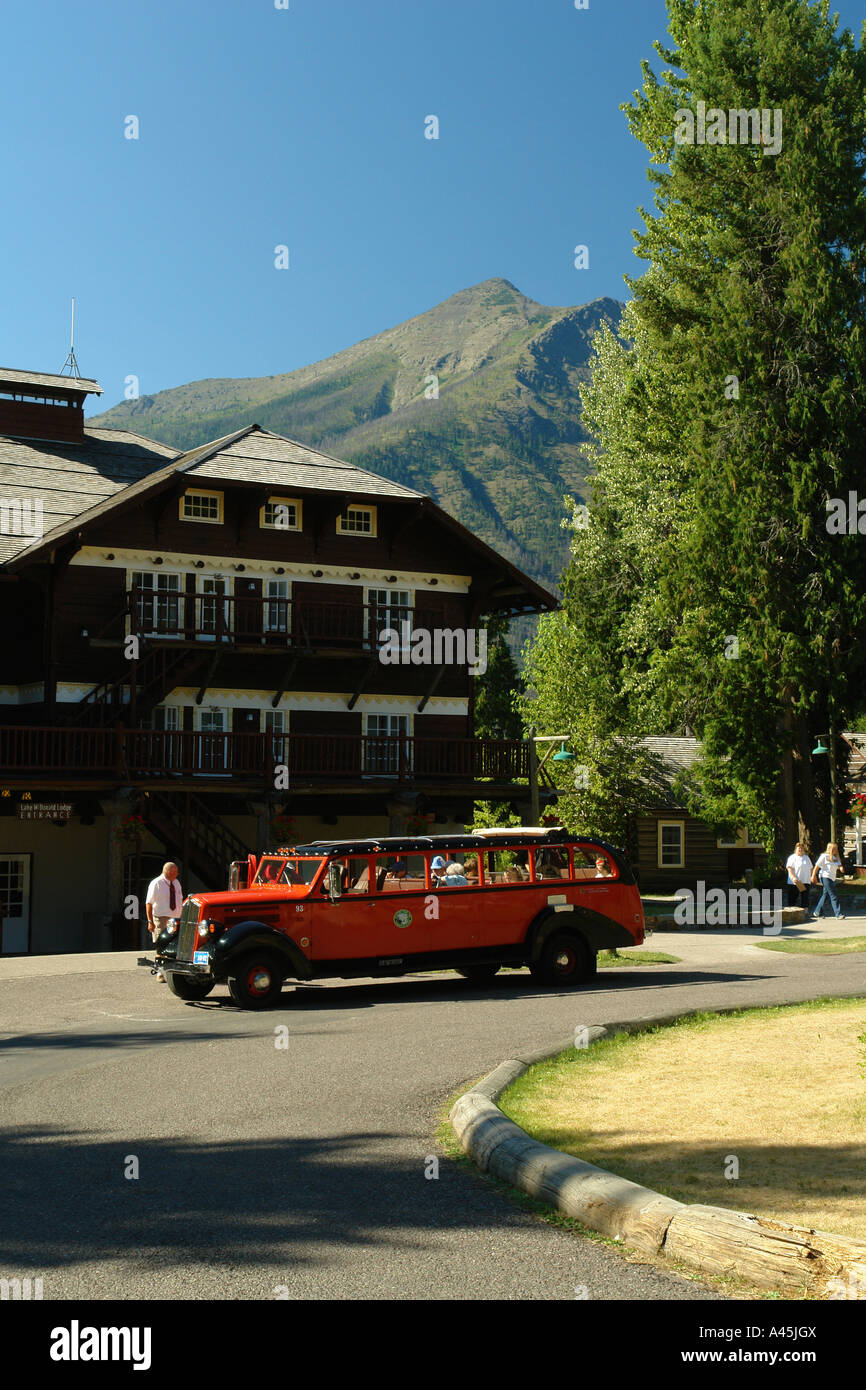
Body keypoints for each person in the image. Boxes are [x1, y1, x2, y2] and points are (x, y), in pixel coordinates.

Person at [146, 862, 183, 982]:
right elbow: (149, 903)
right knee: (161, 946)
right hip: (161, 918)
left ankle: (173, 973)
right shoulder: (156, 883)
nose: (177, 873)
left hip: (175, 919)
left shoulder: (176, 883)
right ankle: (160, 974)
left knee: (174, 946)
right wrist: (150, 921)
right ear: (169, 872)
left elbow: (179, 900)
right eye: (175, 871)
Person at [811, 842, 845, 920]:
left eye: (836, 848)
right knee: (833, 895)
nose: (835, 850)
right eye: (834, 848)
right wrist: (813, 875)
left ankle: (817, 911)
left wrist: (841, 868)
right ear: (829, 849)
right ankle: (838, 914)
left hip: (832, 878)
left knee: (825, 894)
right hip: (825, 877)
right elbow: (817, 866)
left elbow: (839, 865)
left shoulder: (836, 857)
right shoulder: (824, 856)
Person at [785, 841, 813, 917]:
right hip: (796, 881)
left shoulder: (806, 858)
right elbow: (789, 868)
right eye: (798, 848)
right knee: (793, 897)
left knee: (805, 897)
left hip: (805, 881)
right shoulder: (792, 857)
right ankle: (791, 912)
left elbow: (810, 868)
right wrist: (793, 877)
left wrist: (811, 876)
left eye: (801, 848)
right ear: (796, 849)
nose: (800, 850)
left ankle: (805, 912)